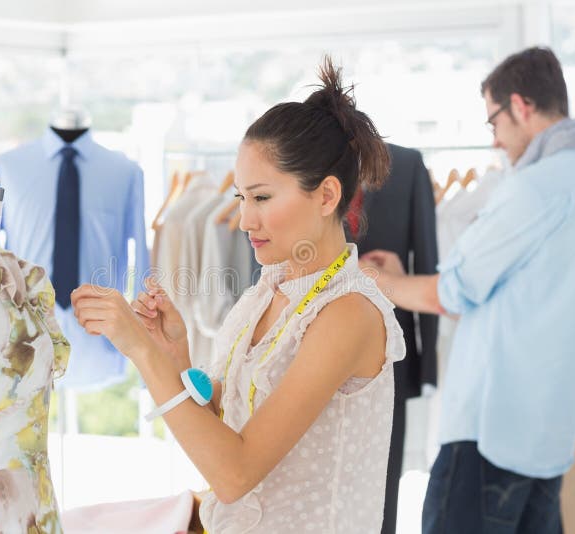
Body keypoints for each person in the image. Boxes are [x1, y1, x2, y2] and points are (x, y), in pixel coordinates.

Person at [71, 57, 406, 533]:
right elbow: (226, 432)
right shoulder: (265, 294)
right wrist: (175, 358)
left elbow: (235, 475)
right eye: (241, 198)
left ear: (327, 196)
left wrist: (140, 349)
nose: (246, 220)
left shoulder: (348, 313)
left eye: (262, 197)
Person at [362, 46, 575, 533]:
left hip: (490, 434)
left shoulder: (533, 189)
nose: (494, 140)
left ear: (521, 106)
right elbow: (522, 300)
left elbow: (450, 294)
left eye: (494, 121)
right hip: (553, 436)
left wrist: (380, 280)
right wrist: (404, 278)